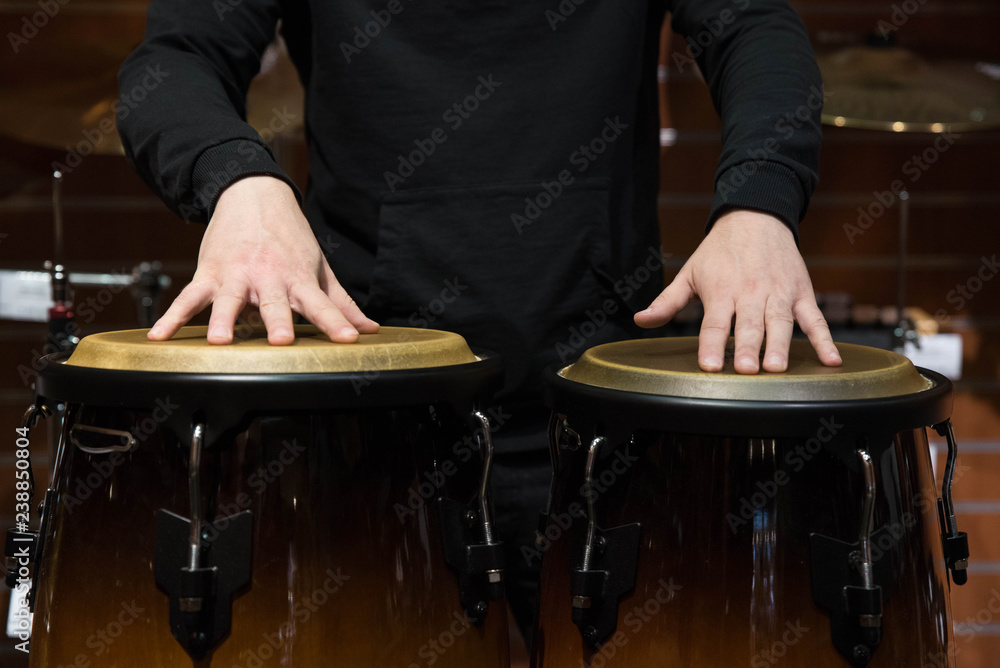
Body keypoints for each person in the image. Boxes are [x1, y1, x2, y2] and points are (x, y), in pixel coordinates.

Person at [118, 0, 840, 643]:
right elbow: (176, 58)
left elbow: (755, 26)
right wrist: (238, 178)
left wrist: (760, 200)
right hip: (373, 428)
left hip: (603, 425)